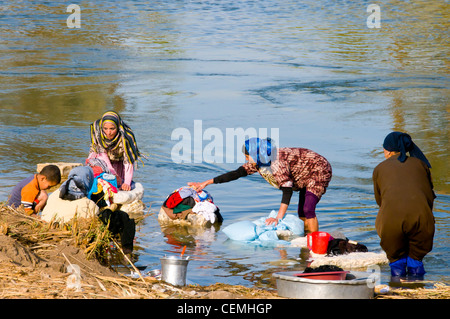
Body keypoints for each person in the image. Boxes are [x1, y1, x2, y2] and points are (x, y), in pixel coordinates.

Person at [188, 137, 332, 234]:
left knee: (308, 209)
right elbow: (235, 174)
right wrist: (205, 183)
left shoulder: (276, 163)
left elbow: (287, 191)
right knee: (302, 212)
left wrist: (278, 218)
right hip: (301, 175)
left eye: (247, 156)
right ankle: (306, 241)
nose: (246, 159)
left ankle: (315, 246)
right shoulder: (258, 162)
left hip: (318, 169)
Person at [373, 132, 435, 280]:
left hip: (391, 224)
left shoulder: (380, 168)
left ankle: (397, 283)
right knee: (415, 260)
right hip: (422, 223)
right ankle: (417, 282)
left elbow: (380, 201)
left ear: (387, 150)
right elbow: (429, 197)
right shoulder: (421, 164)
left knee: (397, 262)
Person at [87, 110, 143, 191]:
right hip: (100, 158)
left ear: (118, 127)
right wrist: (113, 174)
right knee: (100, 176)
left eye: (112, 129)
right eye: (105, 129)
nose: (108, 133)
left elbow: (128, 162)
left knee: (121, 184)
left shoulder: (126, 137)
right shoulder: (98, 132)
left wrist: (127, 183)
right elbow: (103, 155)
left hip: (119, 158)